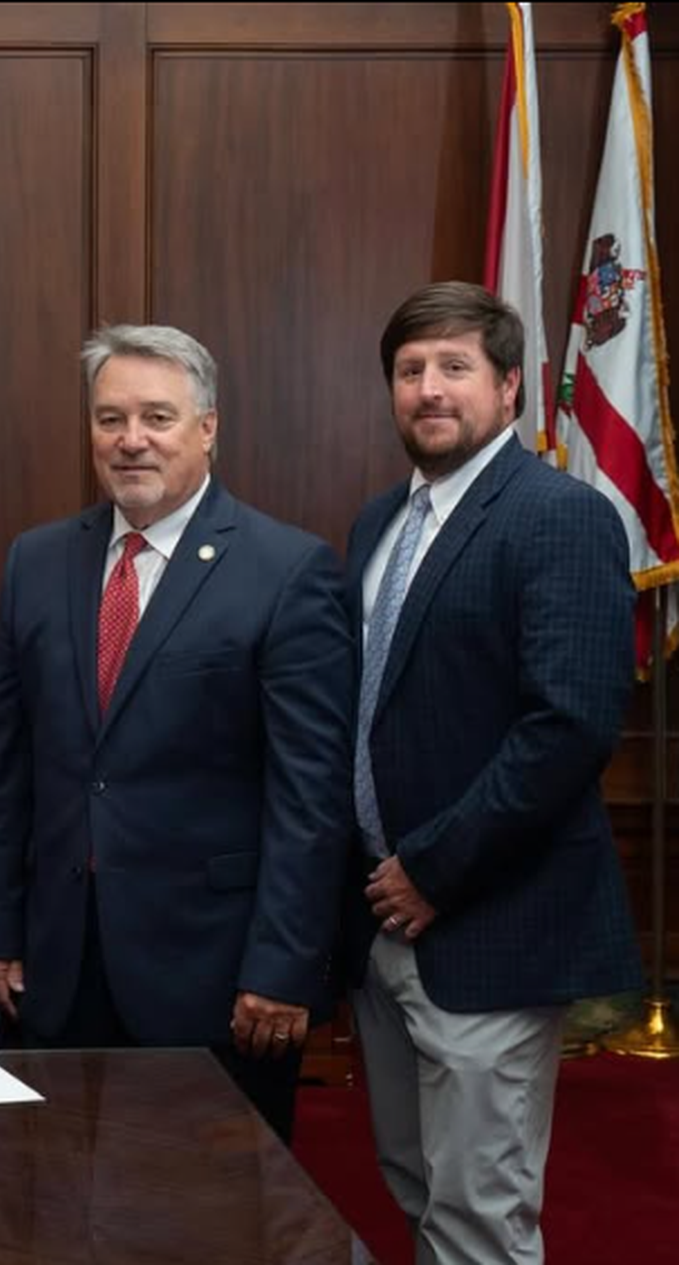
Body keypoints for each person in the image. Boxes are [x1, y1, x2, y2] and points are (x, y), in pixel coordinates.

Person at [0, 323, 352, 1141]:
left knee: (211, 1220)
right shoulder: (37, 561)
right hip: (56, 971)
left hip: (217, 978)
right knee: (51, 1212)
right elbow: (2, 768)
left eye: (157, 417)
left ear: (207, 428)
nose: (130, 440)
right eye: (110, 419)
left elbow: (309, 795)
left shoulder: (287, 570)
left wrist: (283, 968)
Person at [345, 282, 641, 1263]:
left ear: (510, 388)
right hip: (383, 928)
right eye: (410, 369)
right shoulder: (379, 522)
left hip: (489, 923)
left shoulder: (559, 516)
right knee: (418, 1189)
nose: (429, 388)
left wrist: (431, 866)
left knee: (479, 1217)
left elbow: (569, 725)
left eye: (455, 367)